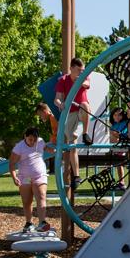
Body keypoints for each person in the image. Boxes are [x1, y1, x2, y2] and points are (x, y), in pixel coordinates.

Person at [9, 126, 54, 233]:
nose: (32, 142)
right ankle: (29, 223)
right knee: (27, 201)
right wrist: (14, 177)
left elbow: (47, 148)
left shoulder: (40, 141)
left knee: (41, 197)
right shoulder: (19, 147)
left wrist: (52, 149)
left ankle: (42, 222)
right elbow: (11, 164)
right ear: (25, 136)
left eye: (34, 140)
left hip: (40, 175)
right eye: (30, 139)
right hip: (24, 177)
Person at [54, 58, 91, 186]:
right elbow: (57, 99)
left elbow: (86, 84)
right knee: (72, 144)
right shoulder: (63, 80)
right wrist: (60, 104)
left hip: (81, 110)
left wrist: (79, 80)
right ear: (71, 68)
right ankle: (76, 176)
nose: (82, 73)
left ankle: (86, 134)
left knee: (85, 105)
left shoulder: (84, 77)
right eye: (79, 70)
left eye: (83, 70)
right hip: (70, 112)